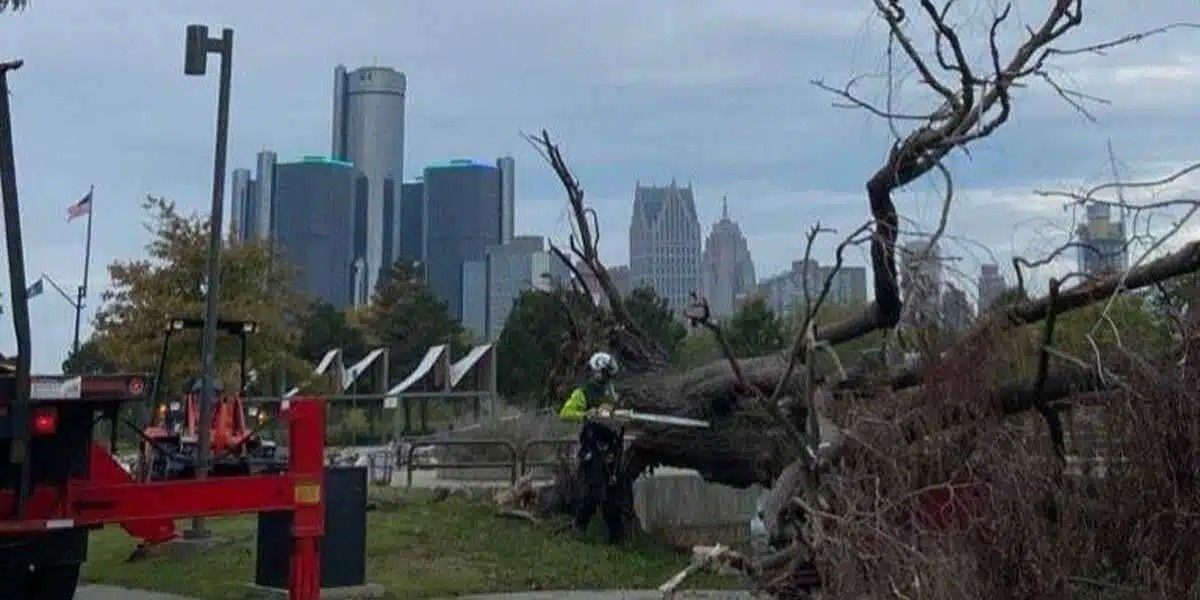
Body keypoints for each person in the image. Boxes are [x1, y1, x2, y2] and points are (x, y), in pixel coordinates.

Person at [558, 351, 626, 543]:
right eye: (605, 374)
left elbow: (613, 407)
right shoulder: (583, 392)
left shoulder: (610, 389)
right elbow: (565, 413)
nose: (607, 379)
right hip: (592, 446)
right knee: (595, 490)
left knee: (612, 493)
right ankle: (579, 528)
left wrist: (618, 413)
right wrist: (587, 414)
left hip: (611, 445)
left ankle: (616, 538)